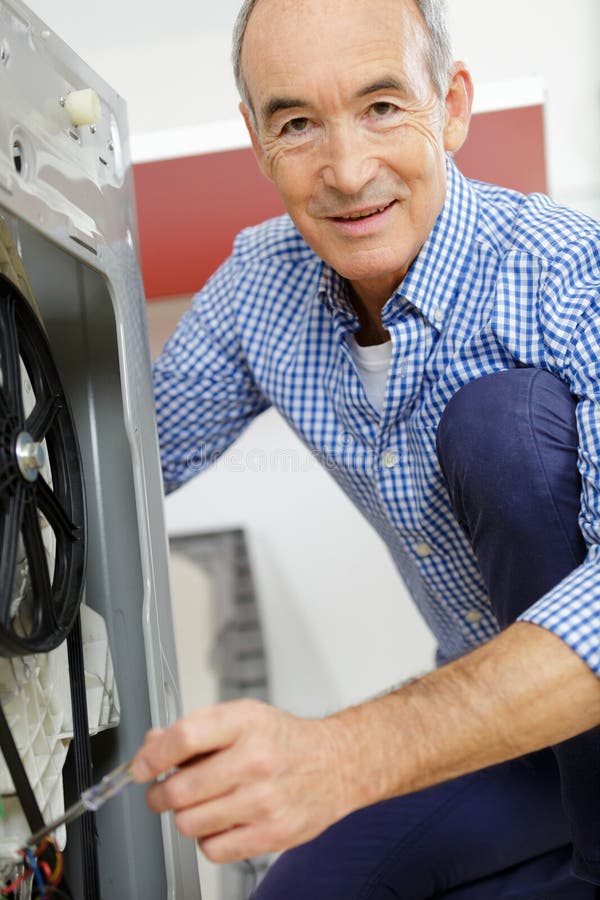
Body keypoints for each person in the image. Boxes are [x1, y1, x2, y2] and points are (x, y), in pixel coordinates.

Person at [131, 0, 600, 896]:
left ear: (453, 105)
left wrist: (344, 754)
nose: (346, 171)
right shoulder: (258, 288)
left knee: (498, 424)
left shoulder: (569, 270)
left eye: (382, 106)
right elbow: (121, 467)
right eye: (298, 123)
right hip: (497, 730)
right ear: (256, 140)